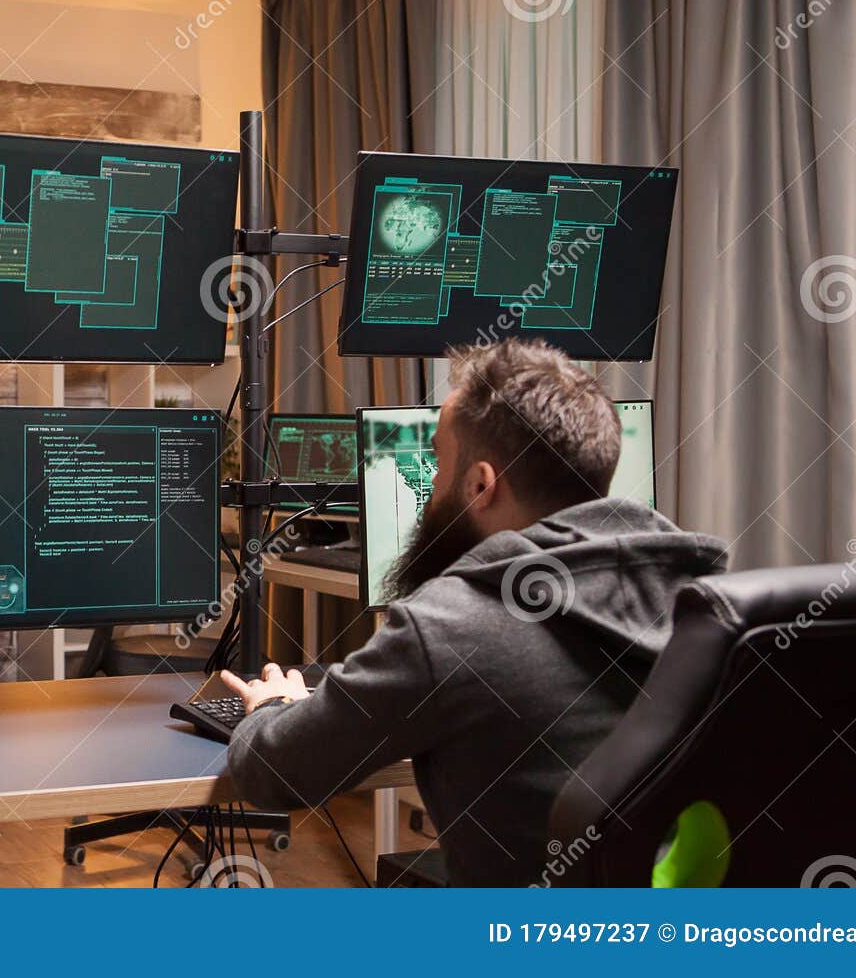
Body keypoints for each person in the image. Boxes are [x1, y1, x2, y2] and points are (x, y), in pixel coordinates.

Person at [223, 338, 727, 886]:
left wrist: (272, 705)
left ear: (481, 484)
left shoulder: (451, 626)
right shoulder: (714, 601)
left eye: (438, 461)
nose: (433, 484)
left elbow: (272, 771)